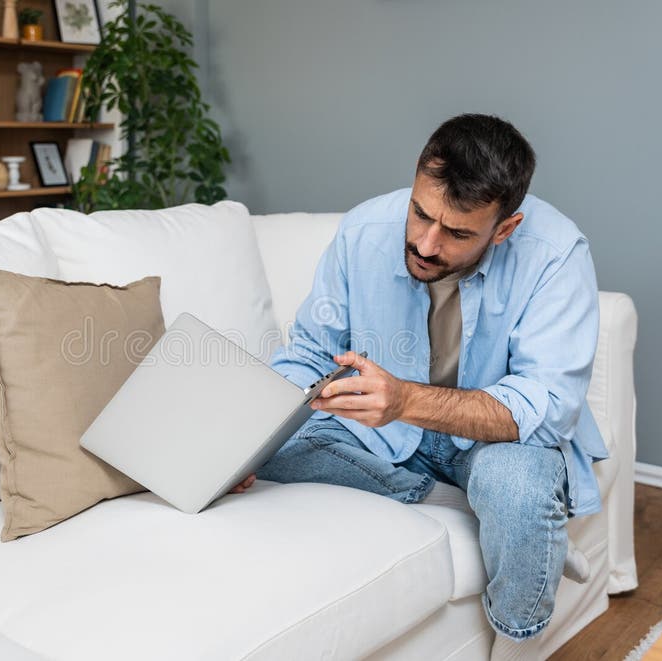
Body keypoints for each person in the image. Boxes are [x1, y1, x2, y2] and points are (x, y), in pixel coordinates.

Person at [230, 113, 608, 642]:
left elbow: (545, 408)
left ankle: (519, 630)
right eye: (419, 213)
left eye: (456, 233)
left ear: (505, 228)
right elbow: (311, 353)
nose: (426, 245)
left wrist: (405, 400)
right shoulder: (363, 229)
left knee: (516, 488)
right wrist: (244, 449)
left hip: (494, 438)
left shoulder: (557, 254)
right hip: (383, 432)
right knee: (269, 439)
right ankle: (465, 505)